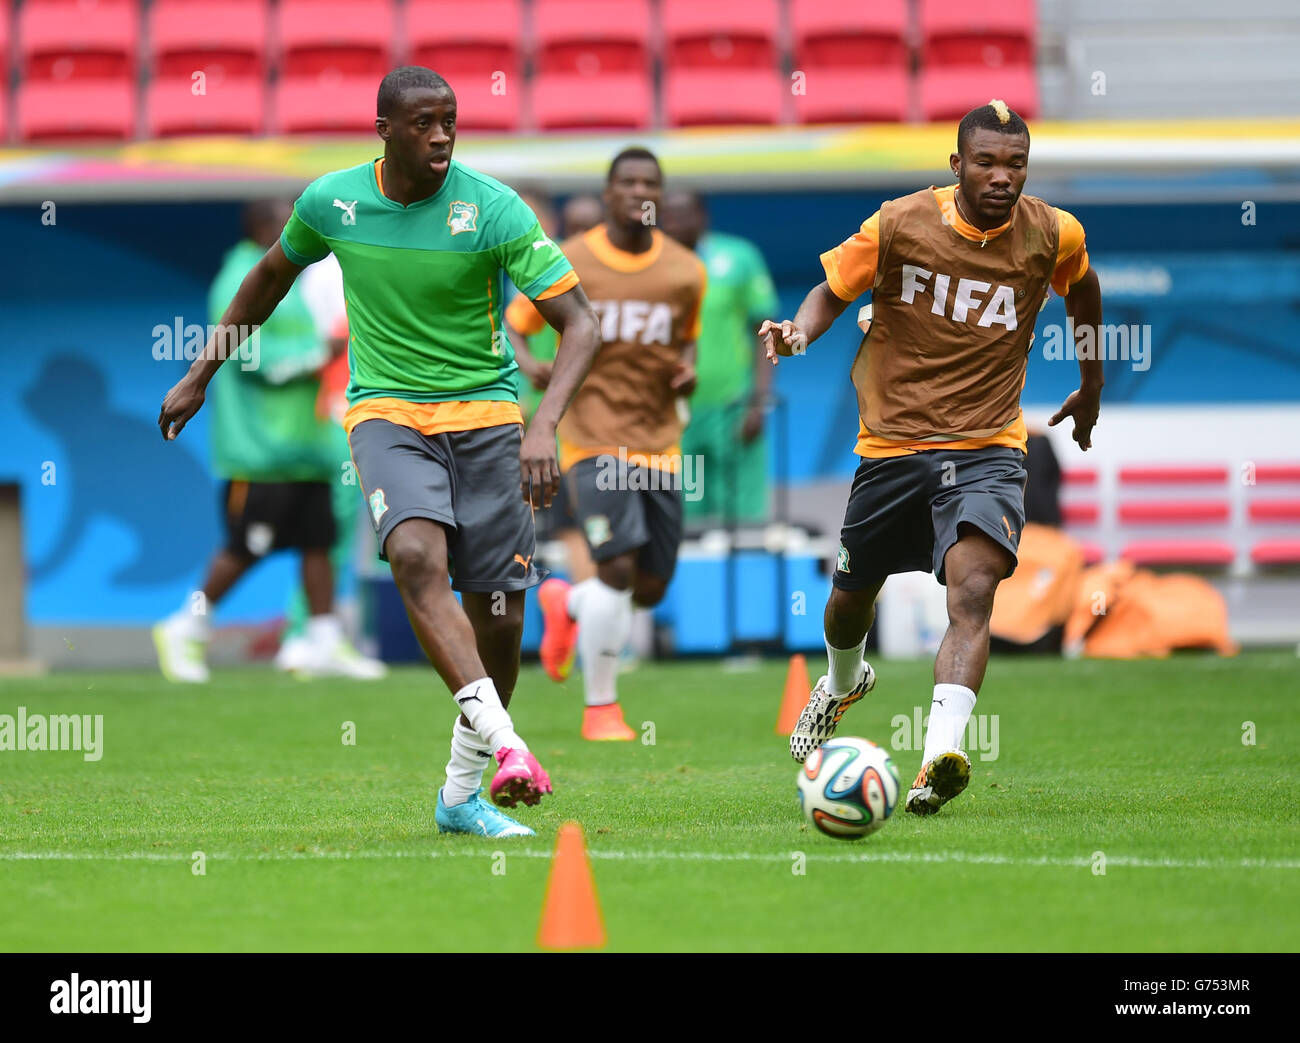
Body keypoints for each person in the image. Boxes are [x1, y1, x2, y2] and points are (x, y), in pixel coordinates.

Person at [158, 67, 602, 838]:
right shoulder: (332, 201)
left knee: (496, 616)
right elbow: (267, 279)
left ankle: (460, 796)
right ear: (384, 129)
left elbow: (582, 323)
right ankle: (509, 746)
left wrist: (542, 426)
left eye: (451, 120)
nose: (441, 135)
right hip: (386, 416)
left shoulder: (492, 207)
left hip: (489, 419)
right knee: (415, 559)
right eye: (424, 122)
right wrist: (201, 372)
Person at [763, 100, 1103, 815]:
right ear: (957, 164)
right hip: (893, 444)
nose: (1001, 176)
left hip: (988, 446)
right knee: (849, 601)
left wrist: (1091, 381)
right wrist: (797, 332)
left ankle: (935, 757)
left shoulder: (1052, 233)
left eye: (1015, 163)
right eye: (986, 161)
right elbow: (832, 290)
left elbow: (1085, 288)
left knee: (973, 588)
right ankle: (843, 680)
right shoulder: (899, 223)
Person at [512, 149, 706, 740]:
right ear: (608, 192)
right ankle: (601, 709)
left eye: (650, 182)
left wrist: (686, 371)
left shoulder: (685, 271)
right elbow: (514, 325)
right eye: (628, 182)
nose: (638, 191)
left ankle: (564, 604)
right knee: (617, 568)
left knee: (648, 587)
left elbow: (686, 341)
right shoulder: (568, 260)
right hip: (590, 439)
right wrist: (532, 369)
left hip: (659, 445)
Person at [152, 199, 385, 684]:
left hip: (307, 445)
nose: (297, 235)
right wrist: (322, 349)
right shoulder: (240, 277)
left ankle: (321, 639)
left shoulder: (292, 281)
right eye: (287, 226)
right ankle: (186, 625)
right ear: (263, 227)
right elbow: (252, 357)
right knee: (246, 547)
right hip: (261, 450)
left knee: (320, 543)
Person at [660, 190, 779, 525]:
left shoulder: (738, 257)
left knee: (742, 519)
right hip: (678, 411)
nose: (674, 222)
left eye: (682, 213)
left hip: (733, 407)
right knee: (686, 514)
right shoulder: (651, 265)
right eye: (666, 215)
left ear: (702, 217)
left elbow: (764, 330)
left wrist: (758, 400)